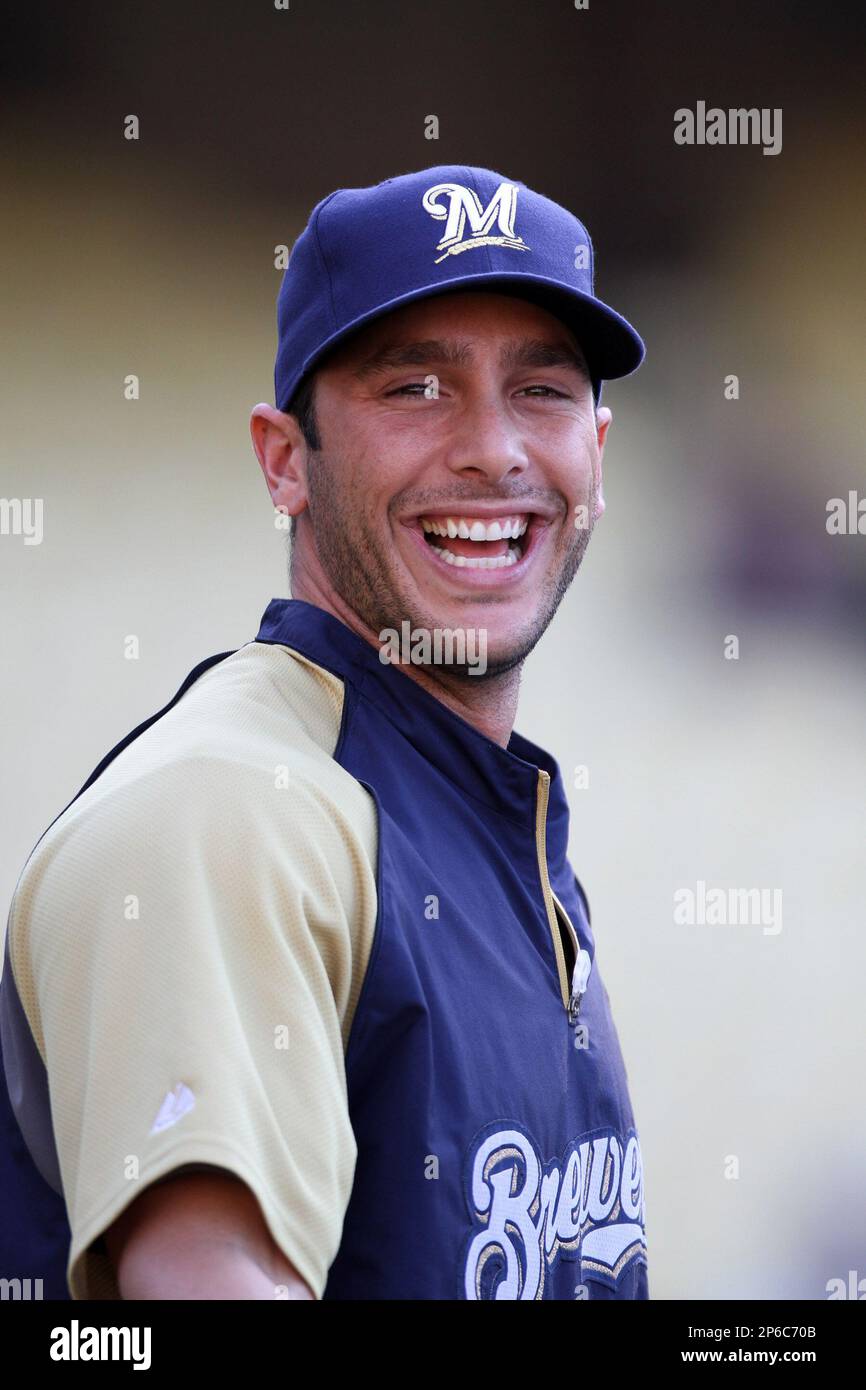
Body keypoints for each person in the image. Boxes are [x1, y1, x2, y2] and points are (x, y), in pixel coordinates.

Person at [0, 164, 648, 1300]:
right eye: (415, 389)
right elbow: (205, 1281)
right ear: (283, 459)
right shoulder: (233, 805)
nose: (493, 449)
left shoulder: (498, 834)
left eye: (539, 391)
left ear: (596, 449)